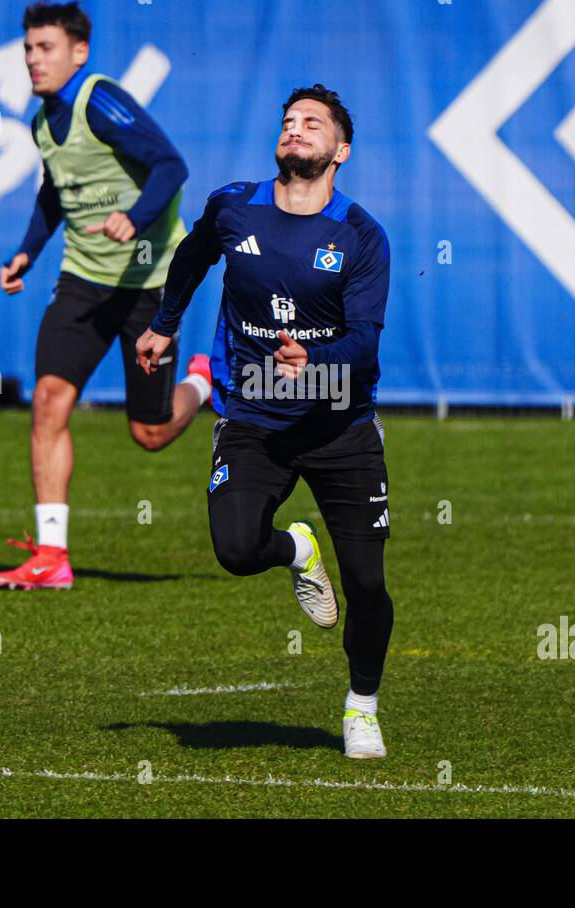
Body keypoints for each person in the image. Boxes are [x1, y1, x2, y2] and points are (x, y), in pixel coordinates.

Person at [135, 84, 394, 760]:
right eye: (288, 121)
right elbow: (191, 259)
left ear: (341, 150)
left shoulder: (362, 237)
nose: (296, 129)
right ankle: (295, 550)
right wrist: (164, 326)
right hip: (252, 417)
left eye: (313, 124)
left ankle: (361, 705)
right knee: (235, 549)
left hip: (340, 425)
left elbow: (365, 341)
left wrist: (315, 359)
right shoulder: (233, 207)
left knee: (367, 584)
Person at [0, 0, 211, 590]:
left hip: (148, 282)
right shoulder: (42, 122)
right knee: (48, 401)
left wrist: (135, 219)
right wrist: (26, 253)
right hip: (83, 282)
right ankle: (52, 557)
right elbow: (54, 193)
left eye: (46, 48)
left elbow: (171, 165)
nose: (35, 59)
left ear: (79, 52)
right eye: (29, 49)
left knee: (152, 433)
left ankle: (202, 381)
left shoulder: (100, 98)